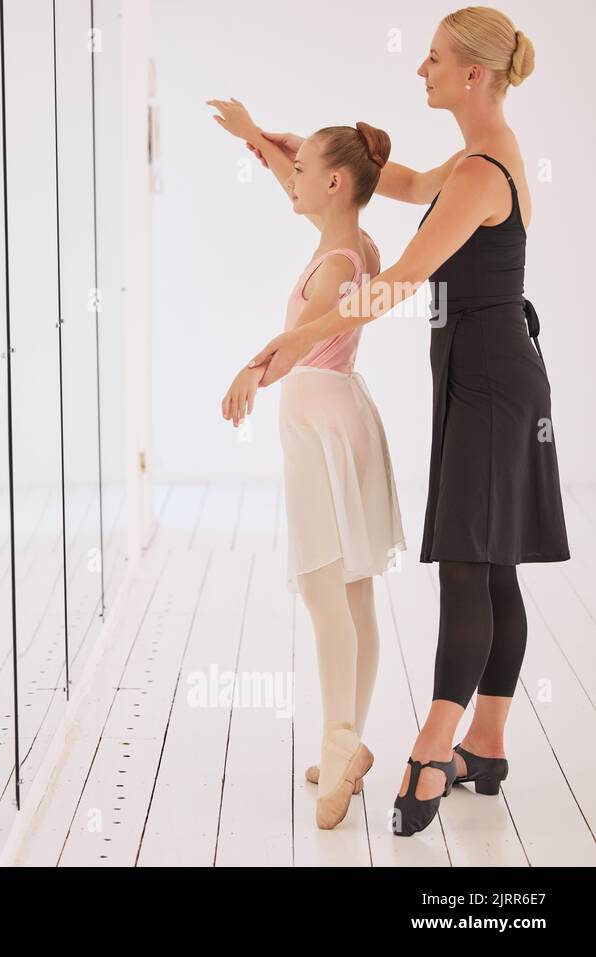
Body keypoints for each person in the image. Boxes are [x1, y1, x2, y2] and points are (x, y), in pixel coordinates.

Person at [246, 7, 568, 837]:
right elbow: (405, 184)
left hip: (493, 381)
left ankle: (433, 747)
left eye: (432, 60)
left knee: (466, 567)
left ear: (473, 74)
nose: (417, 70)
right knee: (493, 568)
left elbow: (394, 287)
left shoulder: (481, 173)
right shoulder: (472, 157)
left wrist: (290, 341)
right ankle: (485, 745)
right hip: (484, 373)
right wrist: (299, 152)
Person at [213, 99, 405, 828]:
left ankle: (340, 742)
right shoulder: (358, 244)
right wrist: (259, 140)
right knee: (353, 594)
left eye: (301, 172)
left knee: (329, 594)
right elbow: (294, 187)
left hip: (320, 420)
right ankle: (347, 740)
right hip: (339, 416)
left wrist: (249, 372)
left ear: (334, 184)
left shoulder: (334, 268)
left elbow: (295, 344)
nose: (287, 181)